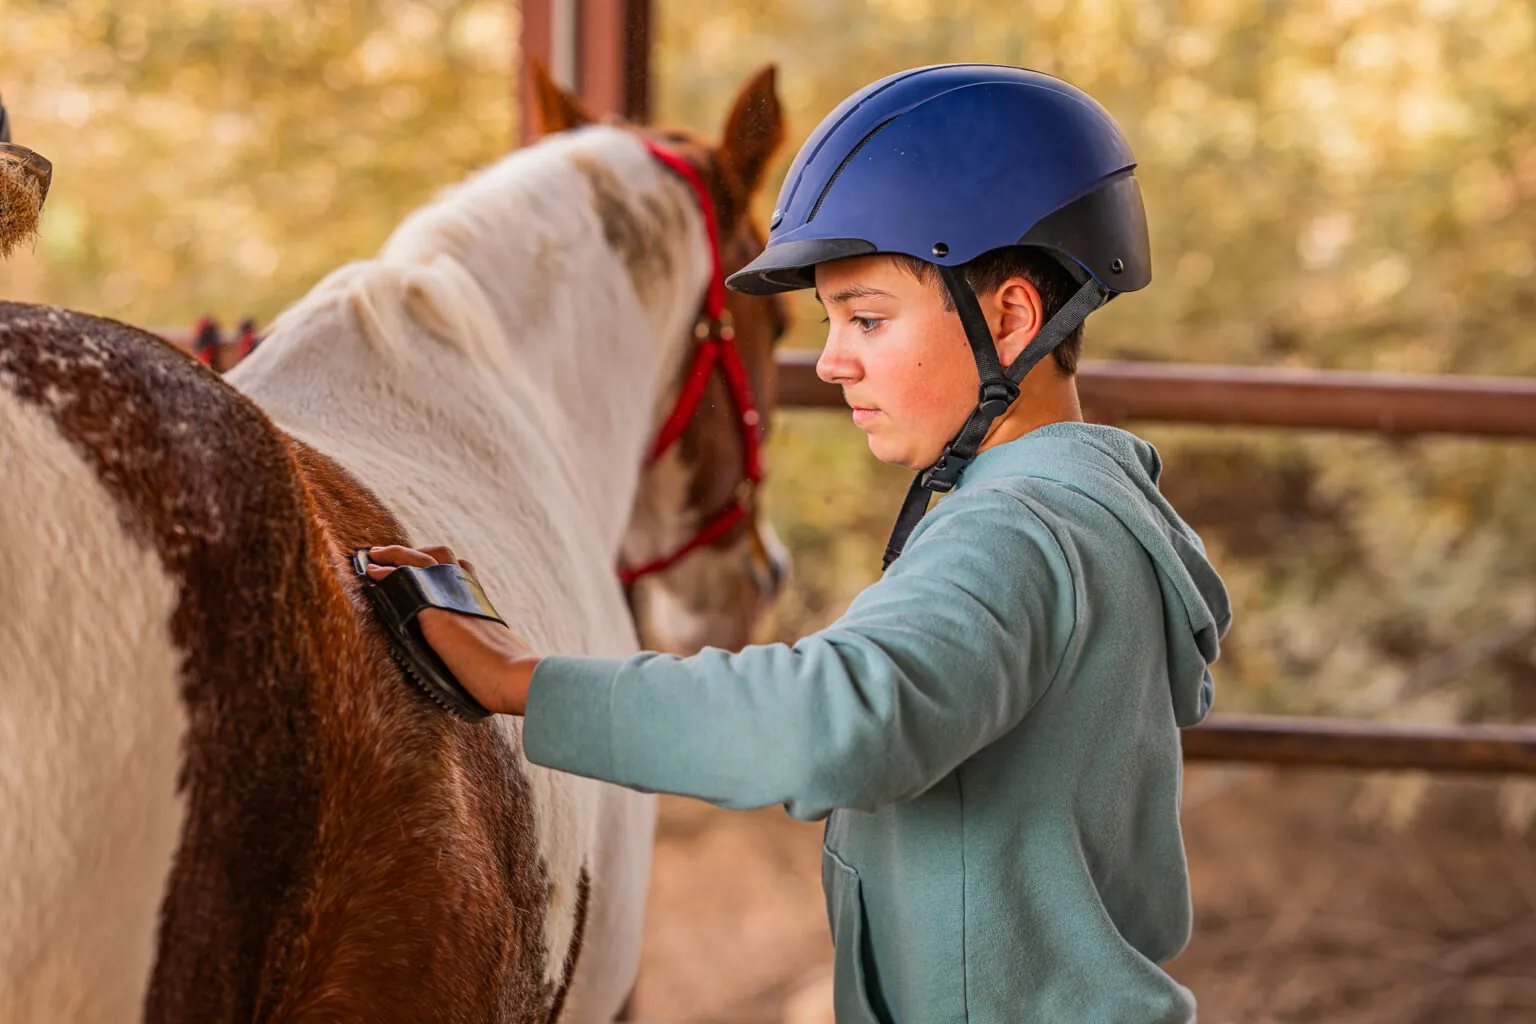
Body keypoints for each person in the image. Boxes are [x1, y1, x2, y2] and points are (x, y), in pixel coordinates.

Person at [365, 64, 1231, 1023]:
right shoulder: (1093, 511)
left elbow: (840, 719)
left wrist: (522, 681)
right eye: (829, 321)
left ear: (1010, 319)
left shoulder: (1016, 531)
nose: (829, 361)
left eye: (868, 318)